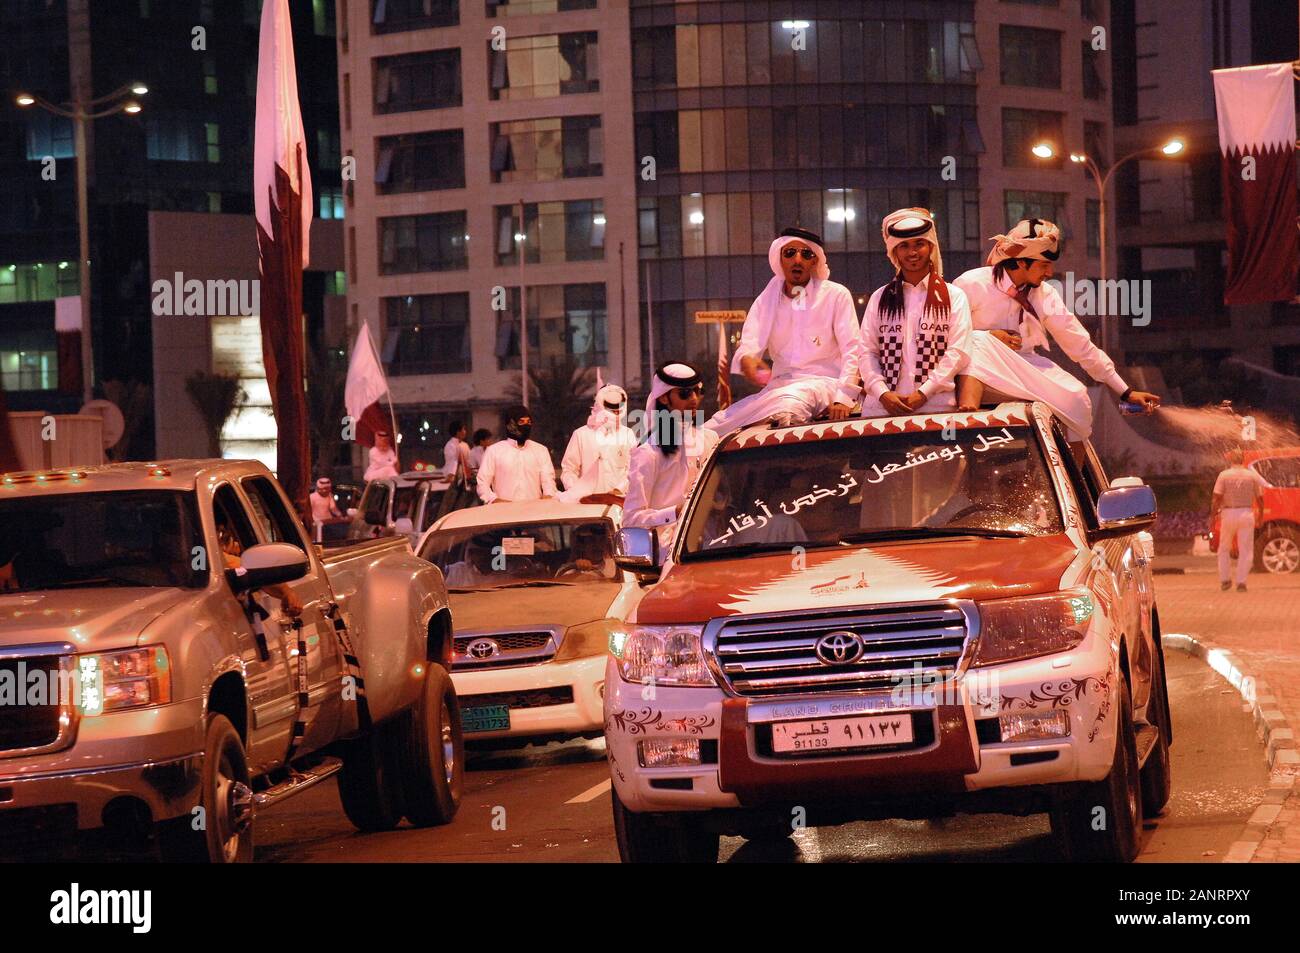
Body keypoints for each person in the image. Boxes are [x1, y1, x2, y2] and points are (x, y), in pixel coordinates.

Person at [952, 218, 1160, 441]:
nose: (1049, 273)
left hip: (1025, 366)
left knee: (1078, 398)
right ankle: (967, 421)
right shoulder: (972, 283)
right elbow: (949, 335)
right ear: (1022, 262)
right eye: (1044, 265)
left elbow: (1080, 345)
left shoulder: (1046, 294)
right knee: (977, 340)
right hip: (977, 368)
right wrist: (990, 336)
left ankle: (1074, 474)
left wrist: (1125, 392)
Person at [704, 227, 863, 433]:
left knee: (789, 408)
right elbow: (749, 346)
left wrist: (845, 397)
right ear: (780, 258)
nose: (797, 260)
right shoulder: (767, 300)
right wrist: (748, 359)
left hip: (825, 385)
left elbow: (854, 351)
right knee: (715, 426)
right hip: (778, 389)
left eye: (806, 254)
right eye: (790, 253)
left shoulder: (836, 295)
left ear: (814, 261)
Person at [858, 208, 972, 416]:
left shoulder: (954, 296)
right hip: (881, 409)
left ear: (930, 247)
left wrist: (923, 393)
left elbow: (958, 352)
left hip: (936, 406)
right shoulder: (879, 298)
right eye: (904, 246)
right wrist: (883, 393)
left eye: (919, 244)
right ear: (895, 252)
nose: (912, 252)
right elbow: (867, 352)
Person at [625, 362, 720, 551]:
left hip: (713, 546)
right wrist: (675, 512)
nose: (694, 399)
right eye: (684, 393)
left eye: (696, 391)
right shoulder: (648, 452)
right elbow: (631, 520)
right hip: (667, 554)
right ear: (664, 399)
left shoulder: (709, 439)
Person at [559, 383, 638, 502]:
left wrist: (618, 490)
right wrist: (578, 492)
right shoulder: (581, 434)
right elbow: (569, 470)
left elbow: (633, 469)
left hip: (618, 501)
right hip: (586, 504)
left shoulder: (627, 434)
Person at [1211, 448, 1269, 592]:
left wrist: (1213, 516)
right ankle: (1241, 582)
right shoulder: (1251, 476)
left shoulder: (1223, 475)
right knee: (1246, 550)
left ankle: (1225, 580)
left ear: (1231, 460)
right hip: (1246, 513)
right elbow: (1260, 499)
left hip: (1228, 513)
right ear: (1243, 459)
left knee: (1224, 548)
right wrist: (1260, 516)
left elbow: (1216, 498)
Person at [476, 405, 557, 504]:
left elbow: (548, 480)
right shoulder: (494, 451)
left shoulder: (541, 450)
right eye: (521, 422)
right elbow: (482, 482)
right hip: (504, 514)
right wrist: (494, 500)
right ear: (510, 424)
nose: (526, 426)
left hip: (535, 512)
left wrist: (548, 496)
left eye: (529, 422)